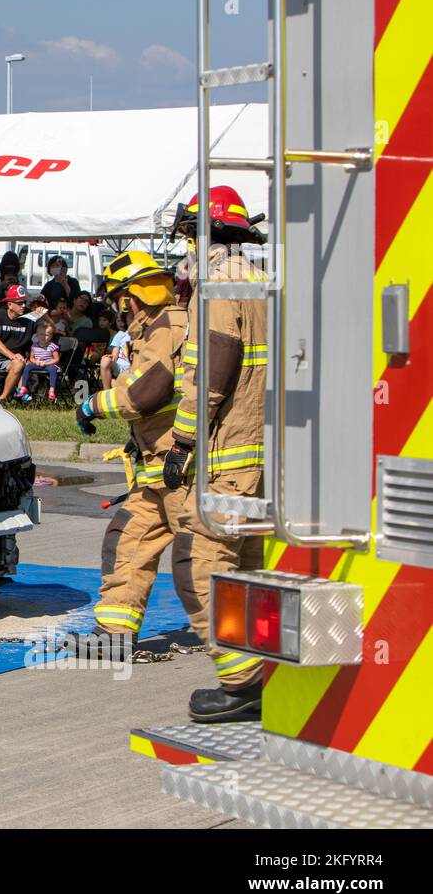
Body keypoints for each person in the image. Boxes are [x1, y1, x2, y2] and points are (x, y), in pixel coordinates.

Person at [162, 185, 270, 722]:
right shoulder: (258, 282)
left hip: (228, 464)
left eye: (187, 234)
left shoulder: (219, 285)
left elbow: (212, 372)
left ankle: (242, 684)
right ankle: (261, 676)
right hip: (261, 466)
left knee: (199, 567)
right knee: (247, 574)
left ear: (203, 235)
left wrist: (181, 440)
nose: (184, 247)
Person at [63, 250, 188, 667]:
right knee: (126, 541)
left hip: (184, 469)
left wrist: (92, 405)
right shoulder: (156, 329)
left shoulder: (167, 329)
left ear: (130, 298)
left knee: (204, 561)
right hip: (160, 470)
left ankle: (243, 655)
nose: (117, 311)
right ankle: (114, 635)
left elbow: (143, 394)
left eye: (119, 300)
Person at [13, 319, 60, 402]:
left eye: (47, 335)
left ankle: (52, 390)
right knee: (27, 367)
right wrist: (36, 362)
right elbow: (31, 358)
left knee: (53, 369)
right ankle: (23, 388)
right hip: (38, 364)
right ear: (37, 335)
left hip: (48, 365)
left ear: (51, 336)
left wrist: (47, 363)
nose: (44, 337)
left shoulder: (52, 346)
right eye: (41, 334)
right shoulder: (34, 346)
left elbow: (56, 359)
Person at [102, 313, 132, 388]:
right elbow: (115, 354)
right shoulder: (120, 334)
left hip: (132, 367)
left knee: (114, 382)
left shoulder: (139, 334)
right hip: (119, 366)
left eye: (122, 321)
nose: (121, 324)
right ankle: (107, 393)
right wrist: (111, 357)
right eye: (118, 321)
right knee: (105, 360)